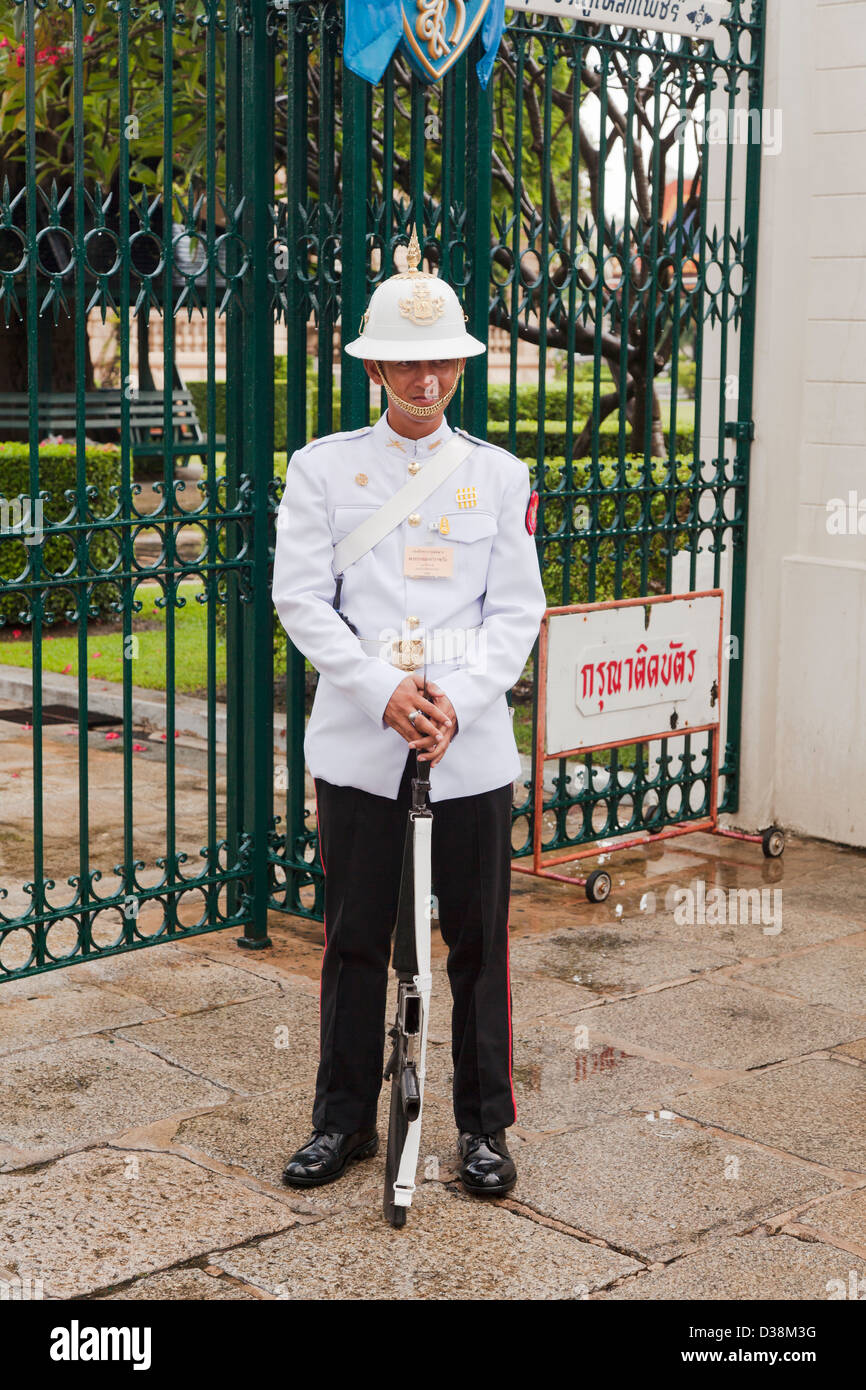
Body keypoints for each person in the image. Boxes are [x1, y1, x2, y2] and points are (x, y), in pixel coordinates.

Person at [271, 226, 546, 1198]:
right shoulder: (321, 468)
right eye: (406, 359)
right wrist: (381, 690)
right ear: (376, 363)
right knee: (351, 937)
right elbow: (301, 599)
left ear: (456, 366)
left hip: (466, 748)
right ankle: (341, 1120)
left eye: (441, 359)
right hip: (359, 738)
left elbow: (516, 609)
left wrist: (457, 702)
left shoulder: (499, 475)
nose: (423, 376)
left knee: (477, 940)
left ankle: (482, 1128)